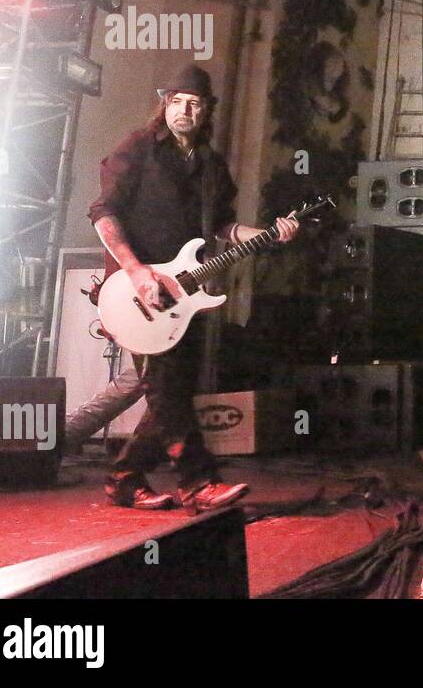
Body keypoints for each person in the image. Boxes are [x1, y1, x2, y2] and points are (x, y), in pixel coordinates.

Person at [88, 65, 299, 510]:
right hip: (136, 292)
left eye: (195, 103)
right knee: (167, 386)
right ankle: (197, 481)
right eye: (177, 100)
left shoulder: (211, 167)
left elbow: (223, 226)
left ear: (207, 112)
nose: (185, 110)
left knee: (174, 388)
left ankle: (124, 477)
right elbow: (103, 212)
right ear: (165, 103)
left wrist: (267, 233)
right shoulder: (139, 148)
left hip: (185, 293)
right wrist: (136, 271)